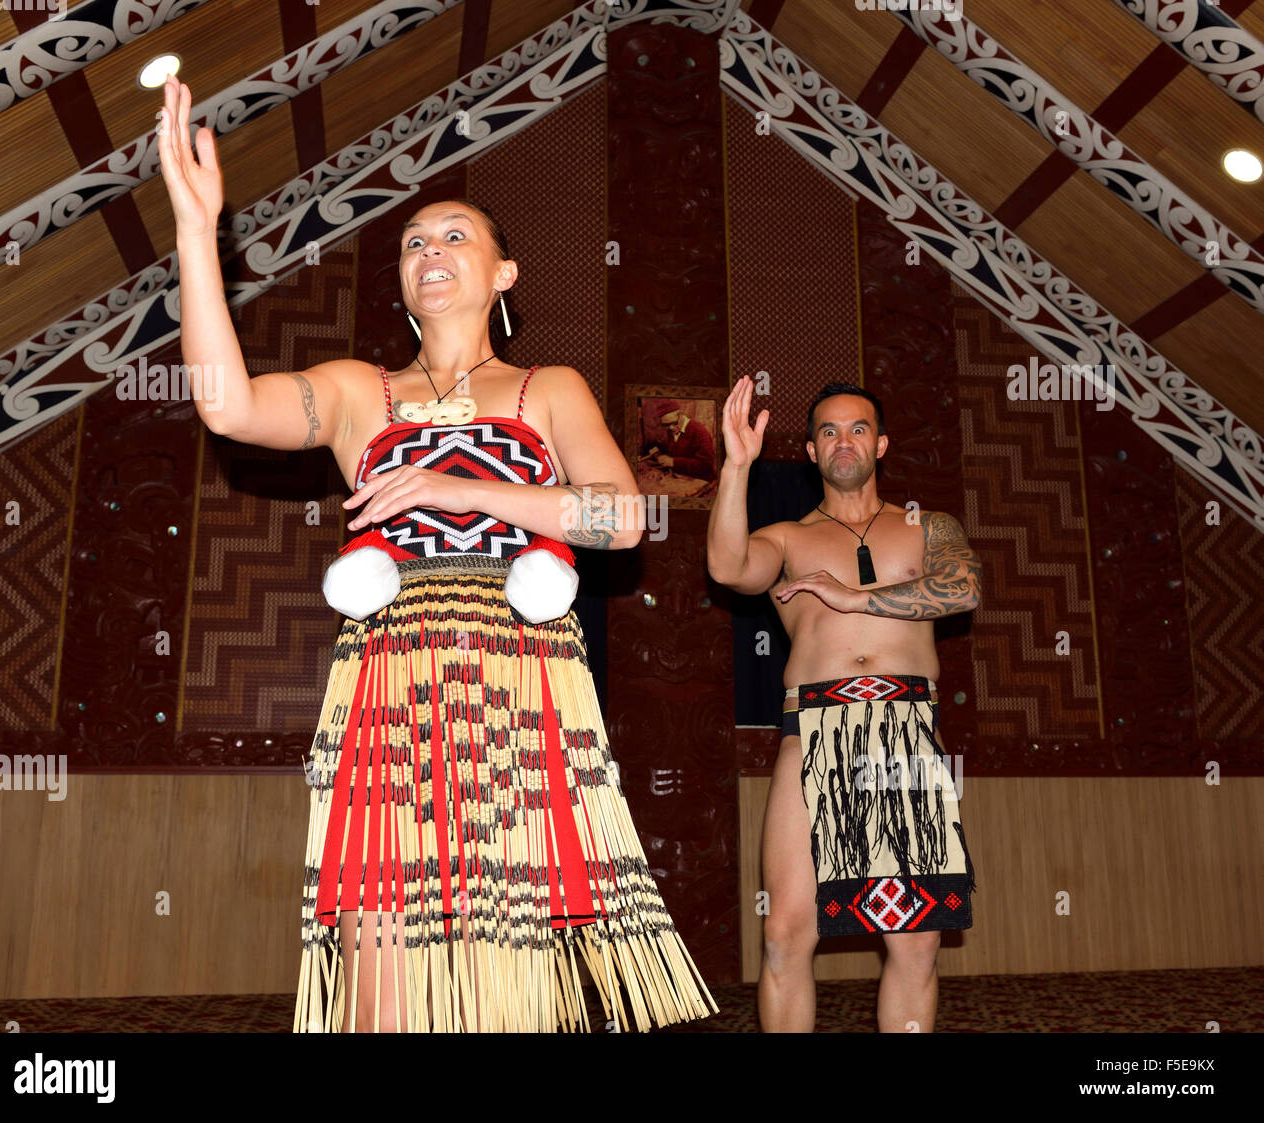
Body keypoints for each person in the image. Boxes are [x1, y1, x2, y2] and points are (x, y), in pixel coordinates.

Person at [156, 74, 715, 1032]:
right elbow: (225, 401)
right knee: (380, 948)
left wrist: (459, 487)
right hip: (391, 673)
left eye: (456, 235)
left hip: (522, 672)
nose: (430, 250)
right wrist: (197, 232)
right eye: (415, 241)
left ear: (504, 273)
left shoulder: (549, 387)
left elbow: (624, 520)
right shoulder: (356, 390)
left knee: (504, 972)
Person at [706, 375, 980, 1033]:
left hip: (905, 736)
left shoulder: (928, 527)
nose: (843, 440)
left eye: (858, 427)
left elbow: (962, 588)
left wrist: (858, 597)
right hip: (812, 734)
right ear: (809, 449)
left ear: (881, 443)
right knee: (784, 936)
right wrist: (737, 465)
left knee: (915, 941)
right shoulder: (787, 539)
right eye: (828, 430)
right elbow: (726, 566)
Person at [645, 401, 716, 481]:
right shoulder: (671, 430)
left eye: (674, 423)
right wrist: (660, 469)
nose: (671, 428)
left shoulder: (699, 431)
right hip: (680, 477)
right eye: (666, 425)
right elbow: (671, 453)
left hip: (701, 480)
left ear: (681, 414)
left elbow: (706, 466)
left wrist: (673, 462)